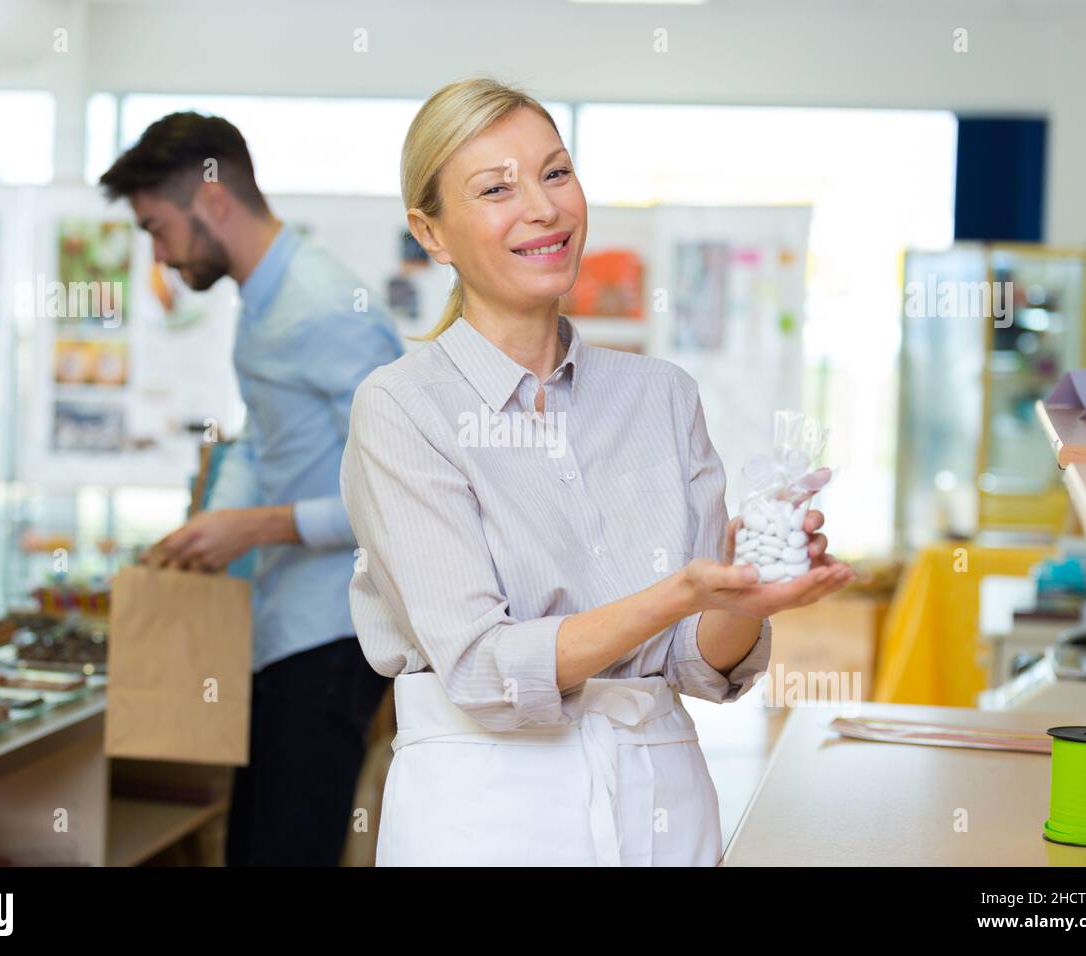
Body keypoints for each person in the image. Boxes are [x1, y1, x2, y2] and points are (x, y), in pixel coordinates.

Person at [340, 79, 856, 866]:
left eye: (555, 172)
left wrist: (743, 591)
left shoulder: (662, 396)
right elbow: (482, 668)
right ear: (431, 234)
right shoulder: (402, 409)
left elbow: (694, 659)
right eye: (495, 188)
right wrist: (681, 588)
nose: (543, 208)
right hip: (484, 811)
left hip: (662, 799)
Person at [99, 112, 404, 866]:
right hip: (280, 630)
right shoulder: (261, 303)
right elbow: (270, 441)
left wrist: (256, 527)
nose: (160, 256)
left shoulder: (326, 307)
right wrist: (208, 526)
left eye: (157, 228)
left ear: (212, 203)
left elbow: (407, 497)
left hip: (331, 637)